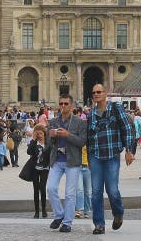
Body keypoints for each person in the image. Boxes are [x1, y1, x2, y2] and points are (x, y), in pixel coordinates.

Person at [86, 84, 135, 235]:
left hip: (112, 154)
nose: (96, 94)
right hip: (95, 156)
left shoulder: (115, 108)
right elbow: (89, 138)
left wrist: (129, 150)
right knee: (96, 192)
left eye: (99, 92)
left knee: (112, 190)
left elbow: (127, 128)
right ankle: (99, 224)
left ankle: (118, 212)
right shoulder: (91, 114)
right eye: (94, 92)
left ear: (105, 93)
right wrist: (88, 158)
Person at [46, 94, 87, 233]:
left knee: (70, 194)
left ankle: (67, 223)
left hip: (72, 161)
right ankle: (59, 214)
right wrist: (51, 136)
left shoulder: (79, 122)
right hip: (57, 160)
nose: (63, 106)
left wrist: (67, 135)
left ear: (72, 106)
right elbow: (49, 143)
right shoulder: (53, 122)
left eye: (65, 104)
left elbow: (82, 142)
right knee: (51, 188)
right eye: (61, 103)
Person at [28, 124, 50, 219]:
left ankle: (44, 210)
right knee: (36, 190)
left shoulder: (48, 143)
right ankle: (37, 211)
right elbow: (29, 152)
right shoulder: (34, 143)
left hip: (45, 168)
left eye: (41, 133)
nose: (39, 135)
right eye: (37, 133)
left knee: (42, 188)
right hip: (35, 168)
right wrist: (33, 139)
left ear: (44, 134)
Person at [75, 145, 92, 220]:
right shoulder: (77, 140)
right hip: (77, 167)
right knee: (79, 189)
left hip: (87, 167)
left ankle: (86, 211)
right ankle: (79, 210)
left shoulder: (88, 140)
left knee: (88, 191)